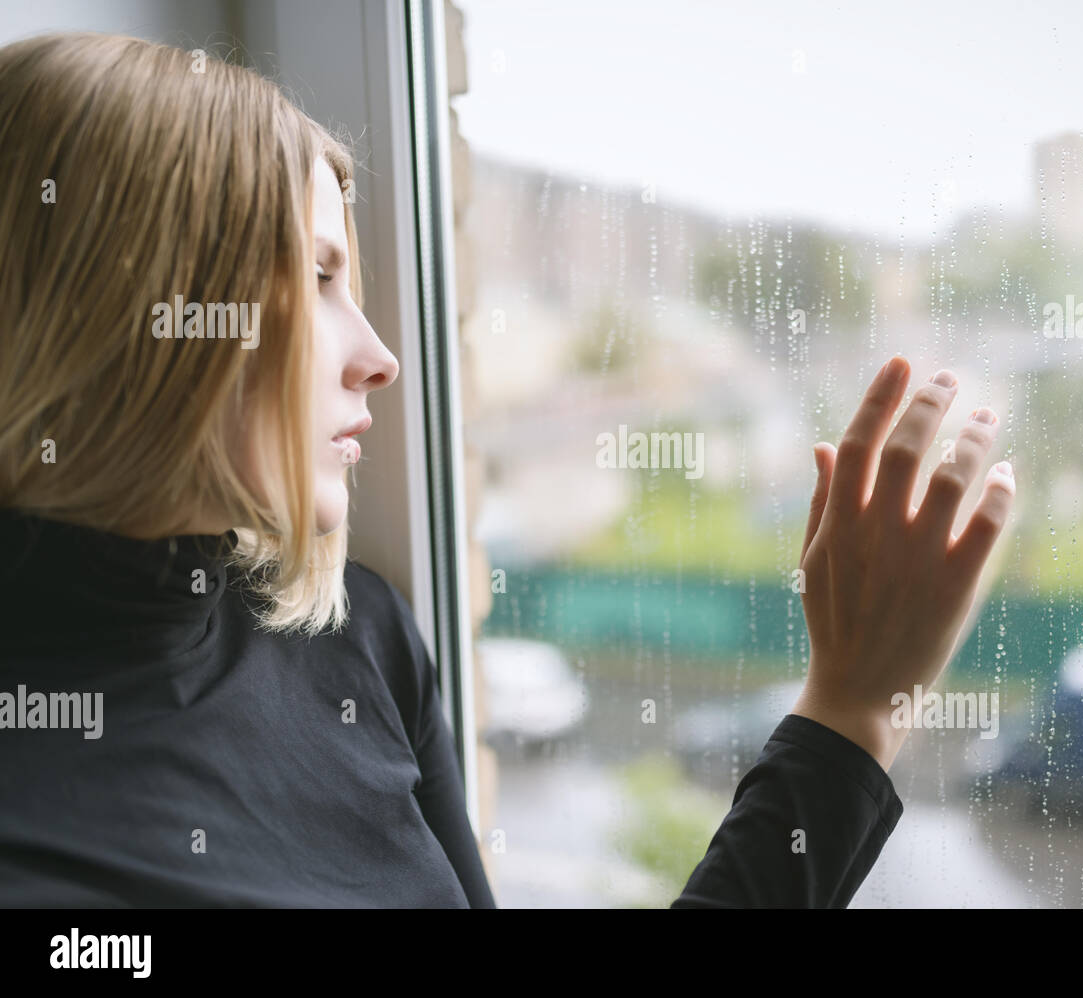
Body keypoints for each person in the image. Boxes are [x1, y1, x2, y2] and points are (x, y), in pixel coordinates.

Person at [0, 31, 1013, 908]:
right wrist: (848, 718)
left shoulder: (350, 633)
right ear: (130, 315)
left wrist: (851, 707)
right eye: (318, 277)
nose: (379, 354)